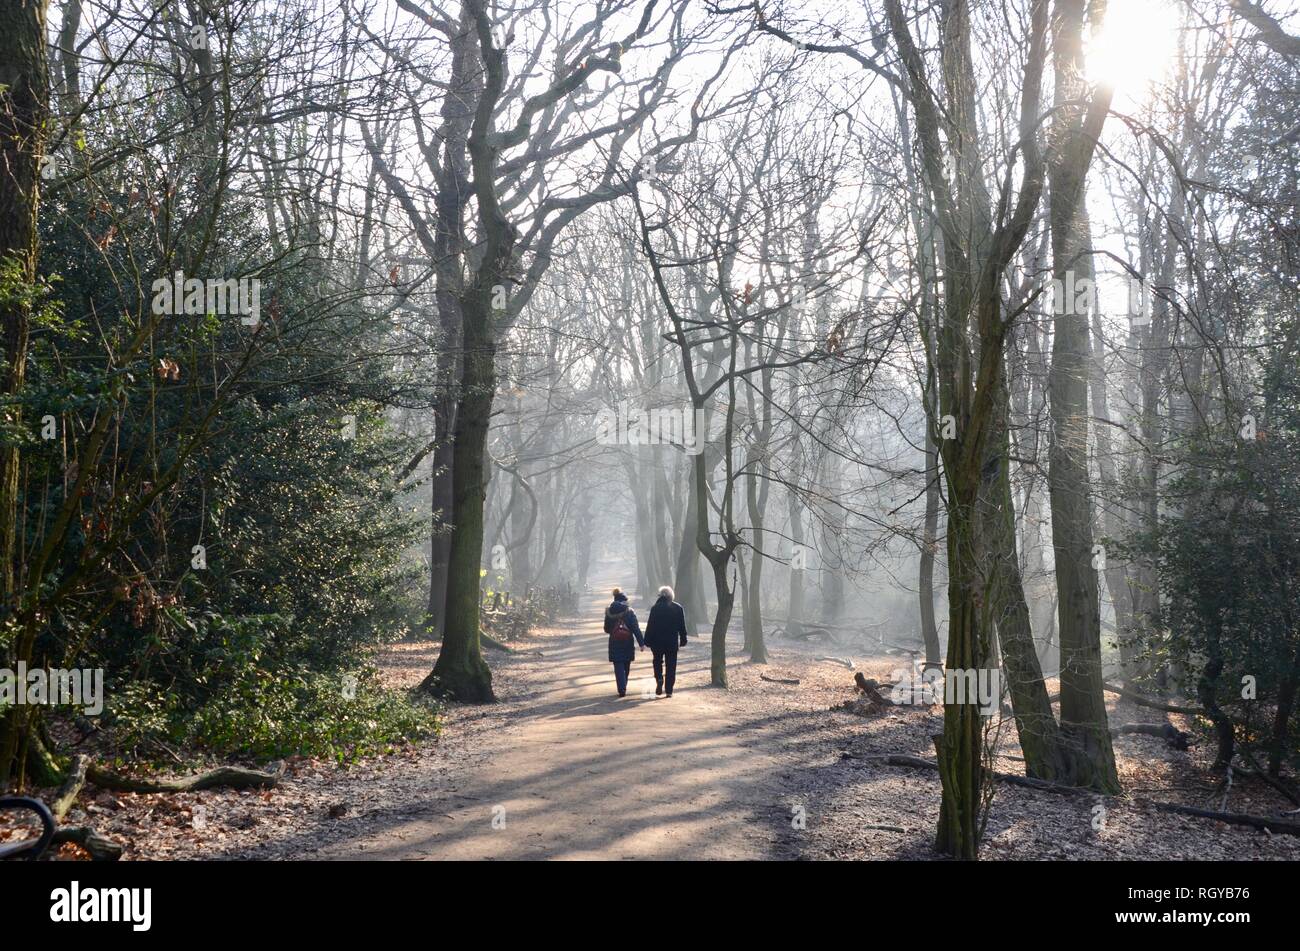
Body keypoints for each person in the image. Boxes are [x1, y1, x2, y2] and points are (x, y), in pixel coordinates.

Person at [643, 585, 688, 697]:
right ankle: (669, 690)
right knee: (671, 666)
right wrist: (683, 639)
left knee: (657, 662)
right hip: (671, 642)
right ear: (671, 595)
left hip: (657, 642)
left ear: (660, 596)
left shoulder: (655, 608)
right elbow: (682, 626)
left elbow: (650, 625)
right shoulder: (678, 608)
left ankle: (659, 679)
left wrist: (647, 640)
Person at [603, 588, 645, 697]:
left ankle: (621, 689)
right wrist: (641, 643)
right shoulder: (629, 611)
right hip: (627, 641)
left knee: (618, 665)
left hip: (614, 641)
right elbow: (635, 628)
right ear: (624, 600)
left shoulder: (609, 611)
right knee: (626, 664)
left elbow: (606, 629)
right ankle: (624, 685)